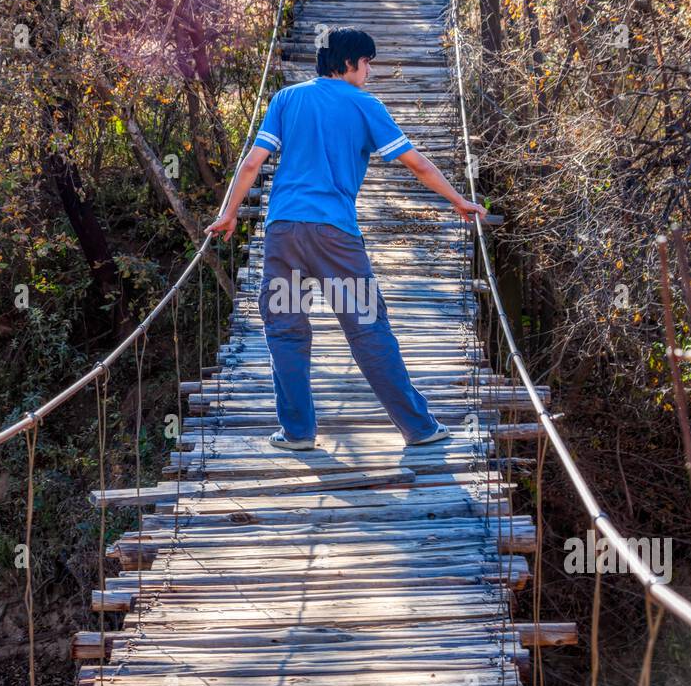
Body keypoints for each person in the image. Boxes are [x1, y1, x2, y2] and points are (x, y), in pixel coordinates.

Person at [206, 26, 487, 450]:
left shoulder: (286, 99)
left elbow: (252, 165)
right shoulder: (365, 105)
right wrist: (458, 200)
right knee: (368, 329)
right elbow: (418, 165)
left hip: (283, 235)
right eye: (368, 61)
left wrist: (229, 213)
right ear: (350, 62)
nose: (369, 69)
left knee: (284, 329)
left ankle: (298, 432)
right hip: (335, 240)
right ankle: (418, 427)